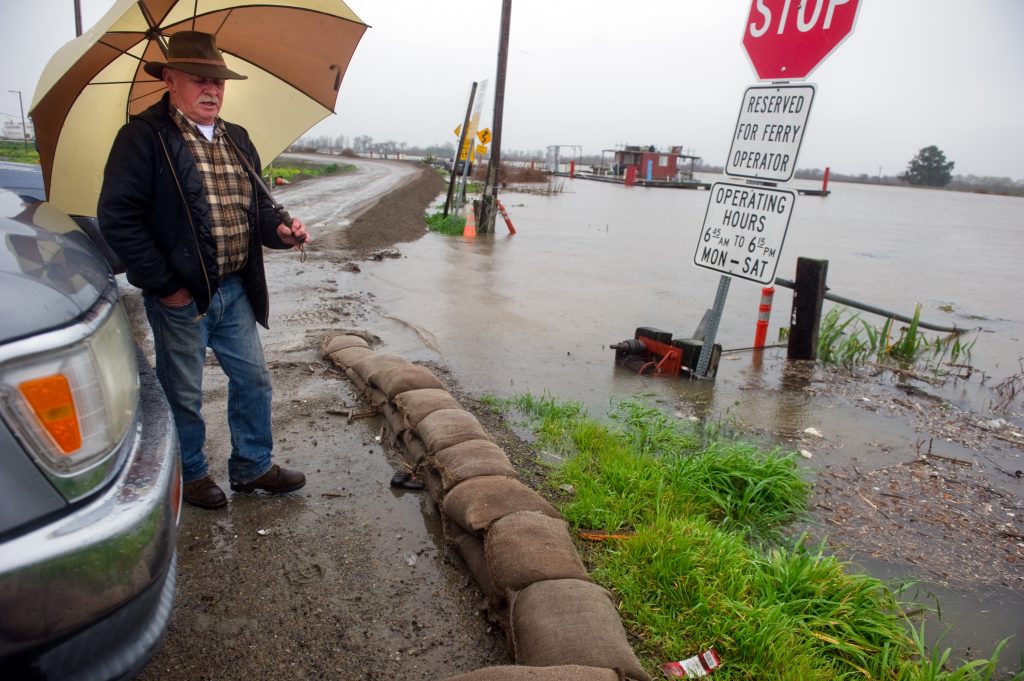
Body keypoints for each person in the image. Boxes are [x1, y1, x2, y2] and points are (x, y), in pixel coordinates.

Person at [99, 31, 309, 510]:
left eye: (218, 81)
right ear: (169, 80)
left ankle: (252, 466)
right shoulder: (143, 139)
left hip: (235, 289)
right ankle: (189, 474)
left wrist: (282, 231)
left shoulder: (237, 139)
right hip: (181, 298)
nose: (212, 90)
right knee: (182, 392)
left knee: (254, 380)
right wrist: (167, 286)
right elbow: (118, 218)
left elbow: (257, 211)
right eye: (199, 80)